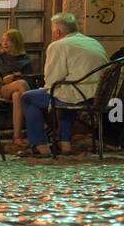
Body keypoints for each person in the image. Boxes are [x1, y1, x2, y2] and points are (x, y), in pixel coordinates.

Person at [19, 12, 109, 157]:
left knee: (28, 98)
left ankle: (40, 146)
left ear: (58, 32)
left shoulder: (59, 45)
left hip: (79, 94)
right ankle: (64, 143)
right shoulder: (92, 42)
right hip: (100, 94)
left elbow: (53, 79)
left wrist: (46, 87)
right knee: (65, 94)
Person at [0, 29, 34, 147]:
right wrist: (4, 80)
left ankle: (17, 137)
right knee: (21, 84)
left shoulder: (25, 58)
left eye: (8, 40)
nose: (5, 43)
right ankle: (36, 117)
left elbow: (30, 80)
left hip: (19, 90)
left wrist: (17, 77)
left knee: (17, 95)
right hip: (1, 89)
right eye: (3, 40)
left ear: (16, 42)